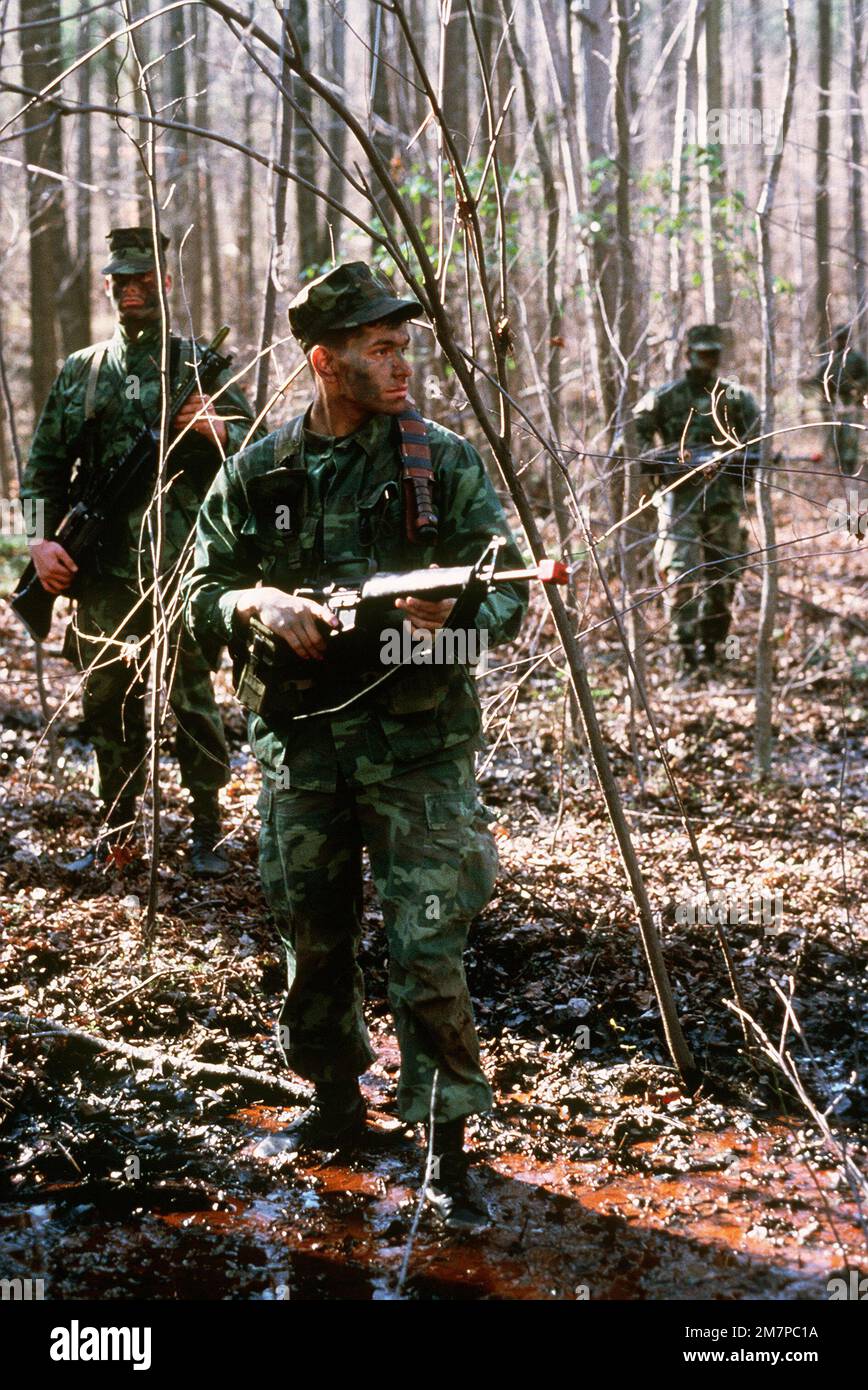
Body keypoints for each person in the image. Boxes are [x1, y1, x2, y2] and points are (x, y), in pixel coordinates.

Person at [182, 261, 528, 1229]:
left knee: (427, 946)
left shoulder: (440, 462)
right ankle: (334, 1105)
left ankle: (446, 1143)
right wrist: (257, 602)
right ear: (326, 362)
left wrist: (446, 622)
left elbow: (503, 603)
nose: (401, 363)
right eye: (380, 349)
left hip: (419, 756)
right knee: (314, 940)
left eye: (405, 345)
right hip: (302, 753)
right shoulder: (260, 471)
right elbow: (197, 597)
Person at [20, 227, 263, 875]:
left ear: (166, 283)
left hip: (182, 563)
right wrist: (40, 541)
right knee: (107, 699)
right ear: (107, 285)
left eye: (145, 278)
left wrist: (213, 429)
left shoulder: (194, 366)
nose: (133, 289)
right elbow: (42, 467)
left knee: (191, 699)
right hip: (99, 571)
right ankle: (118, 829)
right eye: (121, 279)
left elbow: (257, 452)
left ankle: (207, 828)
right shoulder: (83, 371)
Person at [633, 324, 760, 673]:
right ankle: (686, 653)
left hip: (722, 502)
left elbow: (755, 441)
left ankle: (715, 649)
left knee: (725, 577)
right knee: (681, 577)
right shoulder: (665, 396)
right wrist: (663, 458)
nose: (707, 361)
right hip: (679, 501)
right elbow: (634, 439)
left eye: (713, 355)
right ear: (687, 355)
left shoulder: (735, 396)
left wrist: (739, 465)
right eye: (701, 354)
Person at [802, 322, 867, 476]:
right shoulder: (831, 358)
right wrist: (807, 381)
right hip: (833, 402)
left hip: (851, 402)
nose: (841, 341)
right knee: (835, 437)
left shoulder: (857, 358)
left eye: (844, 338)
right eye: (839, 338)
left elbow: (867, 376)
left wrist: (856, 386)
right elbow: (819, 378)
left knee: (850, 436)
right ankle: (839, 465)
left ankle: (850, 467)